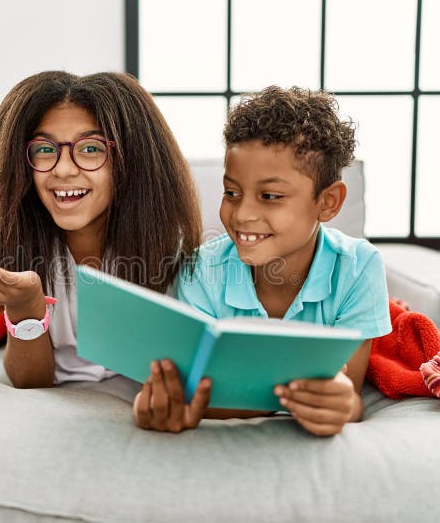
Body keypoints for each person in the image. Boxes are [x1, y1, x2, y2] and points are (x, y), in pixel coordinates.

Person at [133, 86, 392, 436]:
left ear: (328, 202)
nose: (242, 214)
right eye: (232, 193)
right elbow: (194, 392)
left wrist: (345, 404)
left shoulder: (359, 266)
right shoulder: (200, 271)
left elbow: (350, 388)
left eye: (270, 196)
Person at [0, 71, 202, 389]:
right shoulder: (18, 240)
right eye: (44, 149)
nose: (64, 169)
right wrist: (25, 306)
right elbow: (31, 380)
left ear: (132, 161)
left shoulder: (172, 249)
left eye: (91, 149)